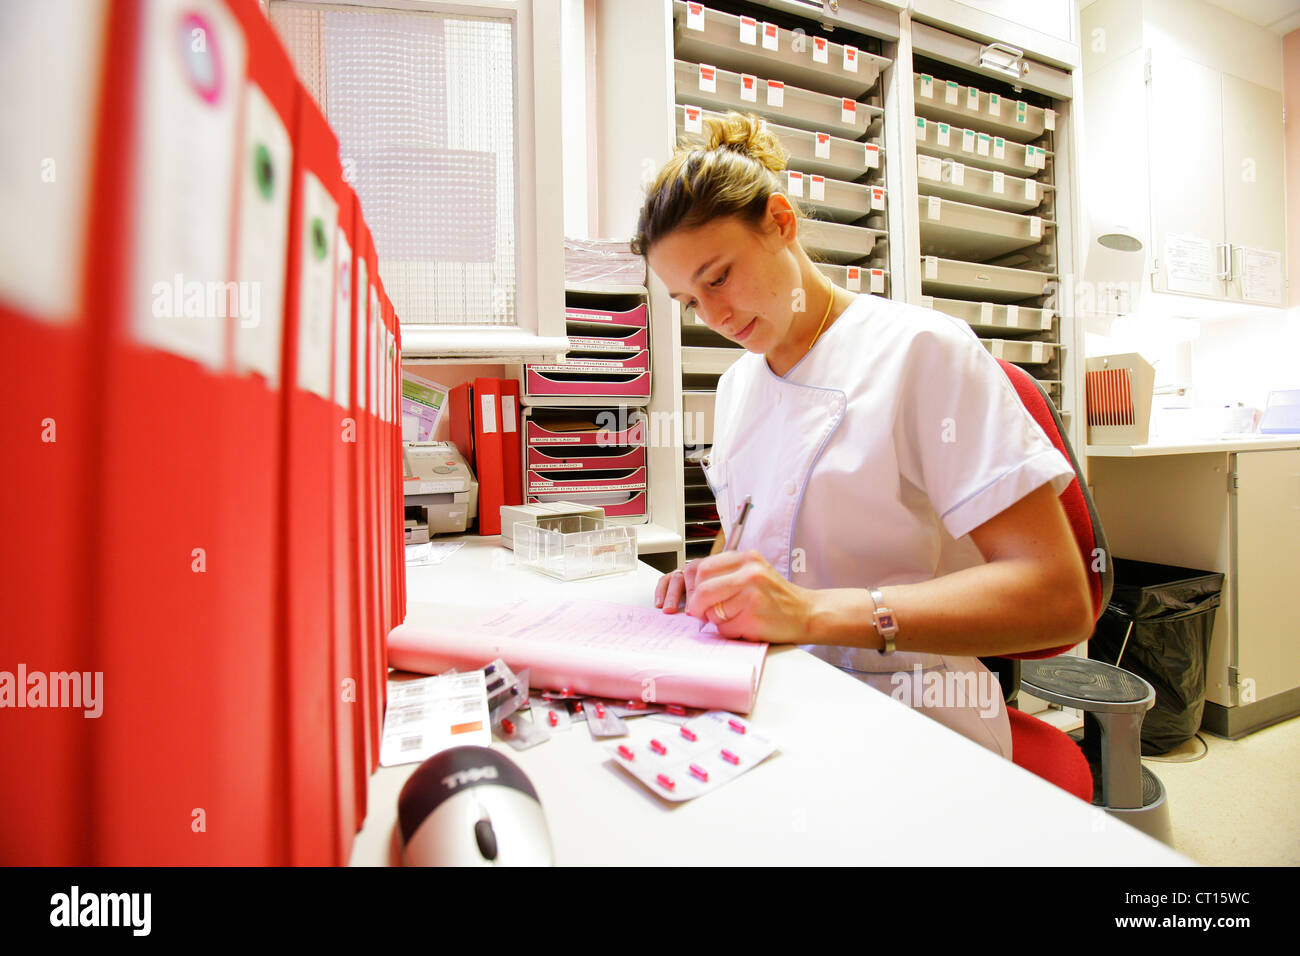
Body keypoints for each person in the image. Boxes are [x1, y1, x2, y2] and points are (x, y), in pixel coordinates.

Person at [632, 113, 1093, 758]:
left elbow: (1058, 597)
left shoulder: (921, 351)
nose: (714, 316)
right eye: (688, 301)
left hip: (918, 716)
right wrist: (713, 577)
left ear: (781, 223)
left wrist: (812, 614)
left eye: (718, 277)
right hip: (776, 696)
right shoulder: (738, 387)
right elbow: (745, 532)